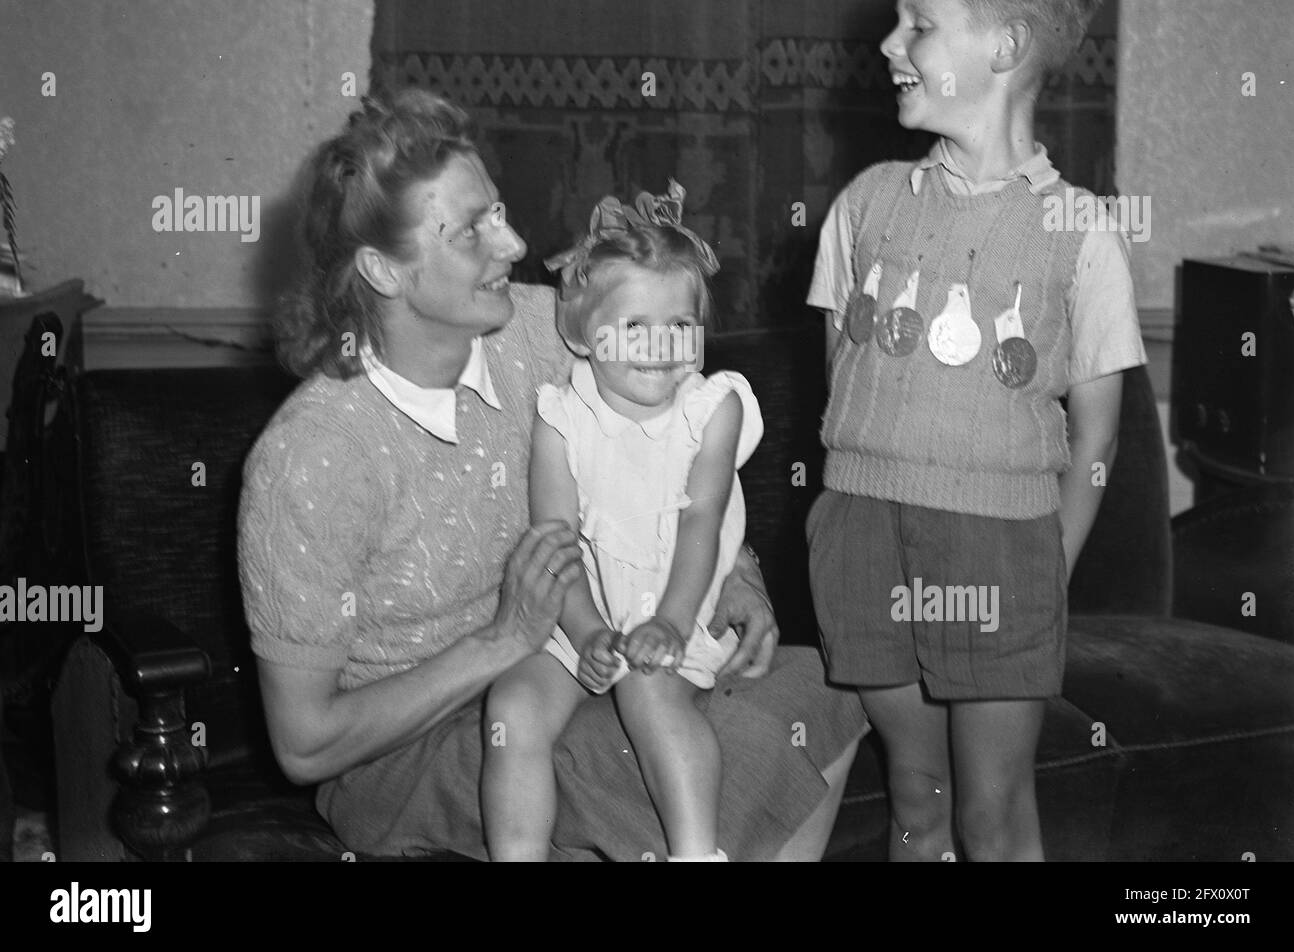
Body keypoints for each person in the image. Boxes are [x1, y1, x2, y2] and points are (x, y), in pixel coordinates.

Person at [238, 88, 866, 861]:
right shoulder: (311, 459)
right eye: (473, 230)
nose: (514, 243)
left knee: (817, 688)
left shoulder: (539, 327)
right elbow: (304, 745)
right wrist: (503, 638)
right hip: (410, 746)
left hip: (581, 653)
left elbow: (672, 443)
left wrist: (736, 576)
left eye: (499, 214)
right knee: (688, 759)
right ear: (384, 270)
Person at [806, 0, 1145, 861]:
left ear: (1004, 47)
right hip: (863, 535)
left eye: (918, 26)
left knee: (992, 816)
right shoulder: (862, 205)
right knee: (916, 795)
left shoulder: (1081, 233)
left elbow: (1097, 442)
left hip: (1000, 547)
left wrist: (1044, 571)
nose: (888, 45)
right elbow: (843, 382)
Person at [483, 182, 761, 862]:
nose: (660, 346)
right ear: (583, 331)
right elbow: (557, 540)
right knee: (512, 706)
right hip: (583, 613)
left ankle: (696, 853)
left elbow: (702, 524)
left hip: (679, 607)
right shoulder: (561, 418)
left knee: (648, 687)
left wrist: (669, 622)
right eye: (634, 327)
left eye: (680, 326)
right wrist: (584, 633)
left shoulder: (712, 410)